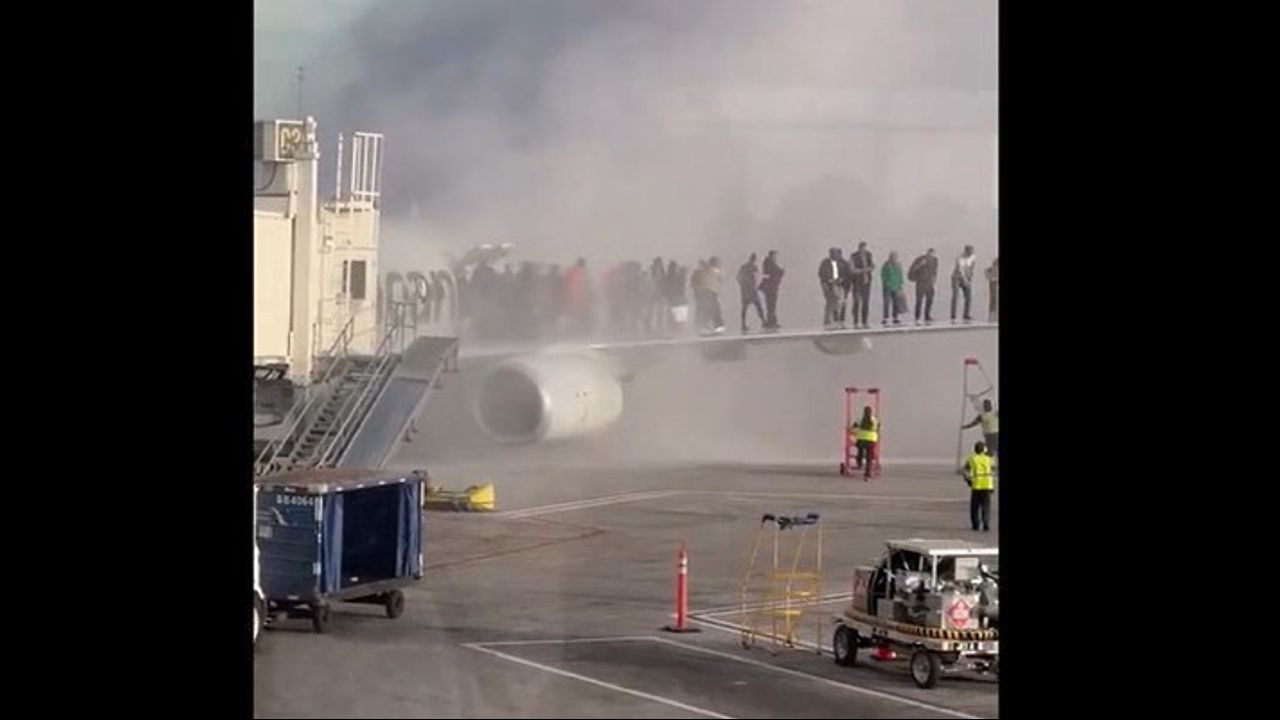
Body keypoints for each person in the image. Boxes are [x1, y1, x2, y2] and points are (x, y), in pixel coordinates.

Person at [962, 441, 995, 532]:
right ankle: (986, 523)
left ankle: (975, 524)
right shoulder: (989, 459)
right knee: (986, 506)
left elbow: (965, 471)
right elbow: (992, 470)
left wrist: (968, 480)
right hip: (987, 485)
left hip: (976, 485)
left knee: (975, 507)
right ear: (984, 450)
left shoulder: (971, 459)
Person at [818, 248, 847, 329]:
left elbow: (845, 272)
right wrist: (827, 282)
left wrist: (842, 279)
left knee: (840, 303)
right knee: (831, 303)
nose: (835, 255)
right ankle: (828, 322)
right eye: (833, 253)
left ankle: (838, 321)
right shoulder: (825, 263)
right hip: (829, 285)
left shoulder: (841, 263)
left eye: (836, 253)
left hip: (839, 285)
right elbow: (821, 274)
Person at [737, 253, 766, 332]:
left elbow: (738, 277)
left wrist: (742, 285)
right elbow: (757, 276)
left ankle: (743, 324)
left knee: (745, 308)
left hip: (745, 290)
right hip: (752, 290)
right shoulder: (754, 267)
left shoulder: (743, 267)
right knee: (758, 306)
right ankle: (763, 321)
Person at [908, 248, 938, 324]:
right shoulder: (920, 259)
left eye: (932, 255)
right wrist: (920, 265)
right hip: (920, 283)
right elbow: (912, 269)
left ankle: (927, 316)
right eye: (929, 255)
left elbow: (934, 271)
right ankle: (917, 317)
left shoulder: (935, 260)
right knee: (919, 300)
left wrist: (934, 279)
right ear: (926, 254)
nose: (930, 257)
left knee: (930, 299)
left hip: (929, 283)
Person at [849, 241, 875, 328]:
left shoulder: (869, 255)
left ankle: (865, 322)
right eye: (861, 248)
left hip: (866, 282)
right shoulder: (853, 256)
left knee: (866, 302)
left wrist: (868, 269)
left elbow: (872, 266)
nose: (863, 249)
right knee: (856, 302)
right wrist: (861, 271)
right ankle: (855, 322)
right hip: (857, 282)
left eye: (864, 248)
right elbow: (852, 269)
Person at [850, 405, 879, 480]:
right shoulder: (875, 420)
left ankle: (859, 463)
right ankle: (867, 474)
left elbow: (853, 427)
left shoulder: (859, 419)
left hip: (861, 440)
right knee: (869, 457)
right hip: (871, 440)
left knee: (860, 451)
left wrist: (850, 430)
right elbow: (878, 429)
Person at [951, 245, 976, 322]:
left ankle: (966, 314)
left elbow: (972, 267)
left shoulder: (973, 257)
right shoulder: (960, 258)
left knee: (968, 296)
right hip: (957, 277)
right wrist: (965, 280)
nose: (971, 254)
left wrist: (970, 277)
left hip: (966, 277)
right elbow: (960, 269)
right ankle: (953, 315)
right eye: (969, 252)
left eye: (972, 252)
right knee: (956, 295)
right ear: (966, 251)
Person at [760, 250, 784, 330]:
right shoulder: (771, 264)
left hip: (770, 288)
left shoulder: (768, 263)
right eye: (775, 256)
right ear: (772, 256)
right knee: (771, 305)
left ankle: (771, 322)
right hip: (771, 288)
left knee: (770, 306)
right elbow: (776, 272)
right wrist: (781, 271)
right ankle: (771, 322)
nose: (776, 257)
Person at [880, 251, 904, 325]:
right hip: (888, 287)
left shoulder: (898, 265)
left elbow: (900, 275)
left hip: (896, 287)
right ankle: (885, 318)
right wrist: (887, 283)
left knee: (896, 303)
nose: (894, 258)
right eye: (892, 257)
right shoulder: (886, 265)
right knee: (887, 302)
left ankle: (895, 317)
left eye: (895, 257)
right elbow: (883, 275)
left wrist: (900, 285)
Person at [985, 256, 998, 322]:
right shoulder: (992, 267)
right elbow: (986, 271)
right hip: (993, 282)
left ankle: (993, 316)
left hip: (994, 281)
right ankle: (992, 316)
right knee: (993, 298)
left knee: (994, 299)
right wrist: (990, 277)